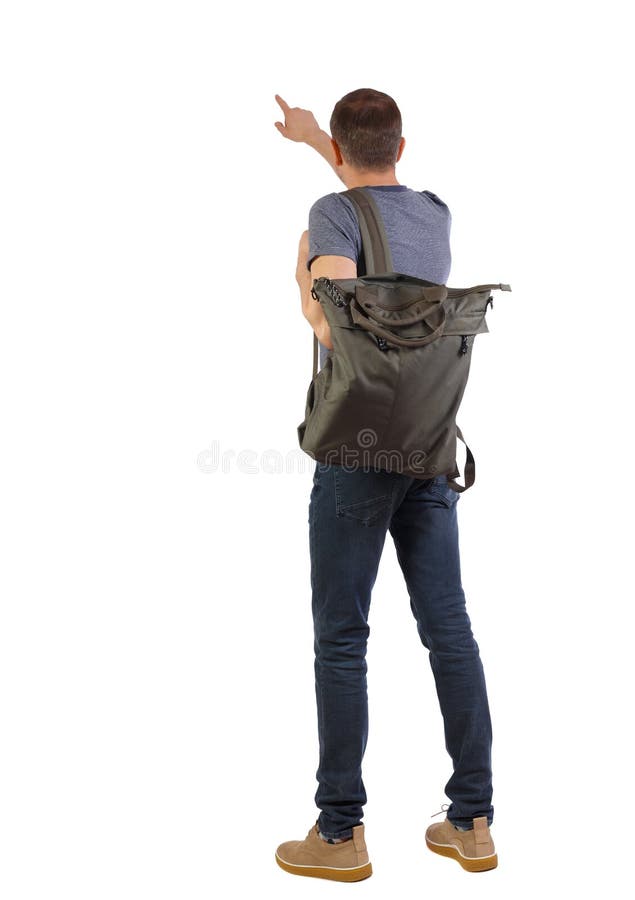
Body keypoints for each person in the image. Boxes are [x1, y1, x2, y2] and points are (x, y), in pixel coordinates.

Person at [272, 88, 498, 880]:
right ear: (403, 147)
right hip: (429, 447)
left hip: (358, 455)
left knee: (342, 639)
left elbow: (332, 319)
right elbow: (370, 192)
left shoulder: (327, 215)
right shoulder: (433, 213)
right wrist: (313, 140)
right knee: (450, 631)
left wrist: (300, 265)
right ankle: (471, 820)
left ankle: (338, 834)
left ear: (344, 147)